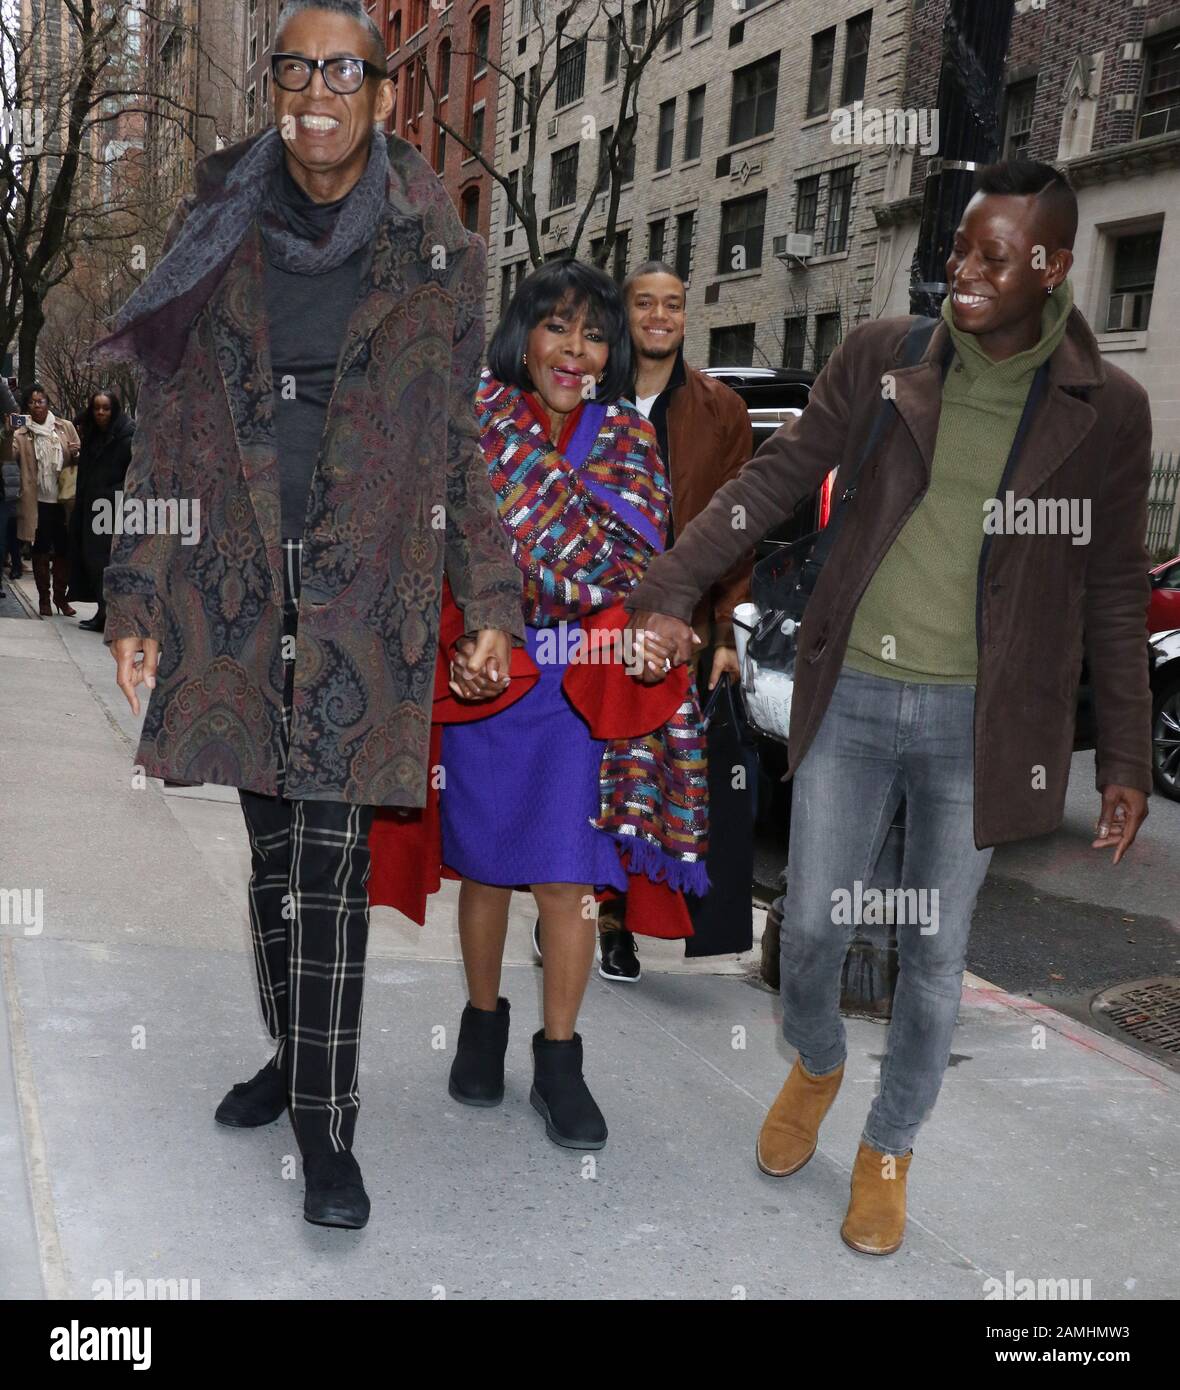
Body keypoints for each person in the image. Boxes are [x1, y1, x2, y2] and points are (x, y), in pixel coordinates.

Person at [625, 160, 1153, 1255]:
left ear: (1051, 267)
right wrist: (671, 586)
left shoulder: (1106, 411)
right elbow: (773, 482)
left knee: (932, 948)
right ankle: (815, 1062)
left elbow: (1110, 585)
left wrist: (1128, 761)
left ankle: (888, 1145)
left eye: (993, 257)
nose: (963, 271)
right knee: (810, 925)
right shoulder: (883, 359)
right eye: (960, 247)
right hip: (857, 687)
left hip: (984, 721)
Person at [91, 0, 521, 1229]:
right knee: (275, 855)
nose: (316, 88)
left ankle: (325, 1128)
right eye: (295, 67)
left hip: (364, 591)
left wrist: (487, 591)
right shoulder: (214, 232)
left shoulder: (435, 245)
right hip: (235, 593)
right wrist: (135, 587)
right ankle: (294, 1052)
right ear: (274, 86)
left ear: (383, 94)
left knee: (331, 862)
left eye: (343, 68)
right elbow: (167, 434)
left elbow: (459, 445)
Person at [368, 260, 708, 1150]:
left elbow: (647, 576)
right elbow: (430, 553)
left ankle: (560, 1060)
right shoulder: (475, 429)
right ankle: (482, 1026)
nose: (576, 349)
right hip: (491, 680)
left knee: (568, 880)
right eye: (558, 328)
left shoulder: (631, 441)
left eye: (596, 334)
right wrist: (465, 637)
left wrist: (656, 628)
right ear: (524, 336)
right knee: (485, 868)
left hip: (585, 693)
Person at [580, 261, 754, 980]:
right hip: (592, 616)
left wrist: (724, 633)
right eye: (644, 304)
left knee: (647, 777)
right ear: (625, 316)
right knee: (590, 772)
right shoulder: (586, 396)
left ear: (687, 317)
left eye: (673, 305)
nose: (659, 316)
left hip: (675, 627)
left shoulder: (721, 410)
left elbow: (740, 528)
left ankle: (617, 921)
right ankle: (582, 907)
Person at [68, 389, 136, 632]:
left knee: (107, 562)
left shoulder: (127, 437)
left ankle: (111, 615)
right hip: (90, 509)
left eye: (105, 408)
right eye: (97, 408)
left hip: (112, 511)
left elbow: (133, 478)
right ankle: (103, 611)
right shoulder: (93, 436)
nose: (100, 413)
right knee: (93, 561)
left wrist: (106, 493)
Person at [13, 383, 81, 617]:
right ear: (27, 406)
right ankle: (44, 598)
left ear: (47, 403)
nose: (36, 406)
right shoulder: (21, 433)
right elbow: (8, 455)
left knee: (64, 549)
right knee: (40, 548)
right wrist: (5, 432)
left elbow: (78, 455)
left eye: (40, 401)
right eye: (32, 402)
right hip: (38, 500)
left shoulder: (65, 427)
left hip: (64, 499)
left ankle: (61, 598)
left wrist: (76, 453)